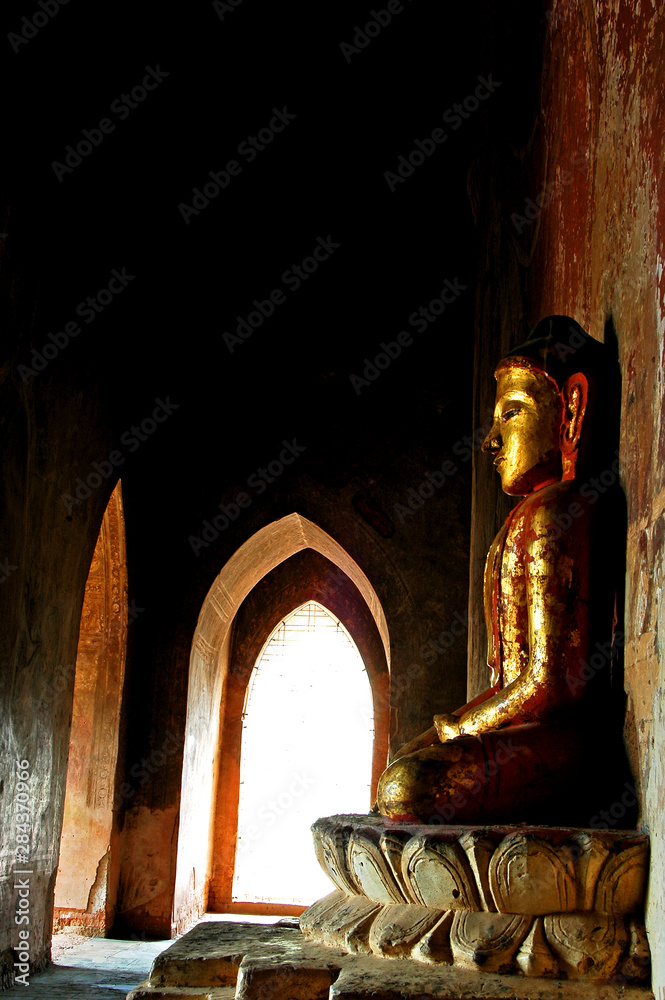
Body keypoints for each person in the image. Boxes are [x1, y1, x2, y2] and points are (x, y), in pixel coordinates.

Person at [376, 316, 631, 826]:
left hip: (564, 736)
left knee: (407, 789)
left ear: (571, 411)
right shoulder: (517, 524)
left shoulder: (561, 511)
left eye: (511, 414)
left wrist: (462, 728)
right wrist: (458, 726)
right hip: (518, 724)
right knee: (399, 767)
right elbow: (505, 678)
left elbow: (552, 683)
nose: (491, 441)